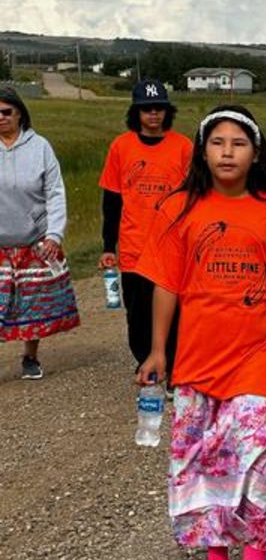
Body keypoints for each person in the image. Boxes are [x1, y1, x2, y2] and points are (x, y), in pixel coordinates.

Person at [136, 105, 266, 560]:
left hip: (261, 347)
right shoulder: (178, 209)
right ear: (203, 151)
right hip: (198, 352)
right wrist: (156, 351)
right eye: (217, 142)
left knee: (255, 452)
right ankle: (215, 558)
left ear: (256, 154)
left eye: (238, 143)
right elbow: (167, 285)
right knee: (205, 455)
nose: (227, 151)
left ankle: (254, 557)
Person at [98, 79, 192, 372]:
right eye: (146, 109)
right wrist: (107, 246)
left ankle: (174, 367)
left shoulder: (183, 147)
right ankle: (145, 363)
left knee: (175, 312)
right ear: (135, 112)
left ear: (167, 111)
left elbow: (195, 199)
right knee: (137, 314)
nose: (153, 114)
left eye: (159, 108)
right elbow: (112, 201)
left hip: (172, 246)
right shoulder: (121, 146)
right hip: (134, 247)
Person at [0, 87, 80, 379]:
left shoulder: (40, 147)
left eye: (6, 112)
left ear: (20, 113)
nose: (1, 118)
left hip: (32, 241)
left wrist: (54, 235)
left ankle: (30, 357)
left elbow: (55, 193)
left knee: (31, 305)